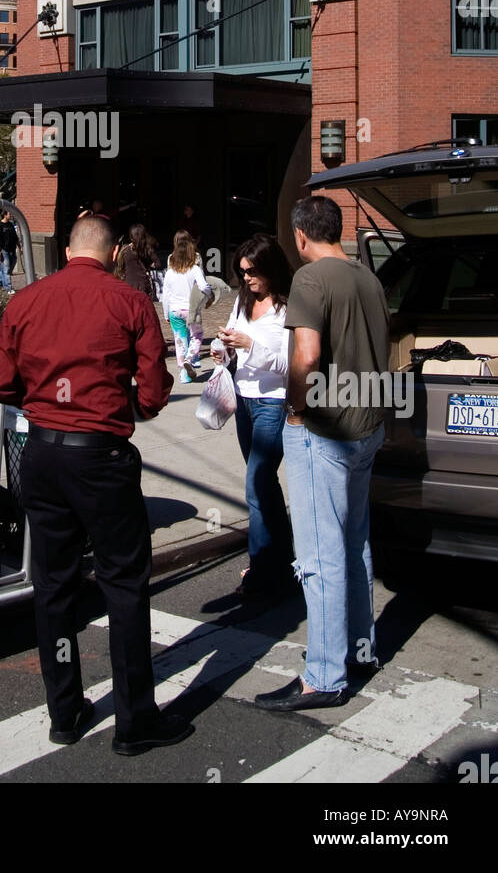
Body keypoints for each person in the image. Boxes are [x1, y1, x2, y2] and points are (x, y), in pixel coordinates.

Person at [0, 215, 193, 757]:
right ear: (111, 251)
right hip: (100, 456)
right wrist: (115, 403)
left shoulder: (26, 300)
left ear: (69, 250)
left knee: (53, 586)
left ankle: (66, 711)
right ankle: (134, 719)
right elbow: (152, 393)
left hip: (42, 454)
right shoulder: (128, 301)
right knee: (123, 584)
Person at [255, 195, 390, 713]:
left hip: (324, 432)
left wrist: (294, 409)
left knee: (318, 557)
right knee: (355, 543)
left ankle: (325, 676)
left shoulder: (310, 280)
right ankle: (359, 651)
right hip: (366, 428)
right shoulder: (368, 278)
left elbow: (306, 356)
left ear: (301, 236)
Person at [213, 233, 293, 597]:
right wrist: (223, 349)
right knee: (265, 486)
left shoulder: (288, 308)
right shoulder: (244, 302)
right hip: (243, 400)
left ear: (271, 268)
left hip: (273, 403)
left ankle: (262, 570)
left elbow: (292, 365)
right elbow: (229, 342)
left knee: (256, 484)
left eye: (252, 271)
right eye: (242, 271)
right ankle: (283, 559)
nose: (246, 278)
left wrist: (251, 346)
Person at [162, 230, 211, 384]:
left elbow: (165, 294)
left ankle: (184, 374)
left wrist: (165, 314)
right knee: (196, 336)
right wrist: (209, 295)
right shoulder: (195, 269)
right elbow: (204, 286)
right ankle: (190, 359)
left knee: (179, 341)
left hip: (174, 310)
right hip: (190, 309)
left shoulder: (170, 272)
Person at [114, 223, 159, 298]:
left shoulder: (125, 250)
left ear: (131, 237)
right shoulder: (147, 249)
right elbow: (158, 264)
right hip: (144, 285)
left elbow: (119, 266)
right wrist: (149, 265)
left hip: (128, 285)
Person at [0, 208, 19, 293]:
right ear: (5, 215)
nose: (11, 215)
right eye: (9, 214)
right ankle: (8, 288)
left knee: (10, 266)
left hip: (12, 249)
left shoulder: (10, 225)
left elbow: (15, 237)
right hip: (4, 250)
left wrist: (19, 246)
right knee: (6, 268)